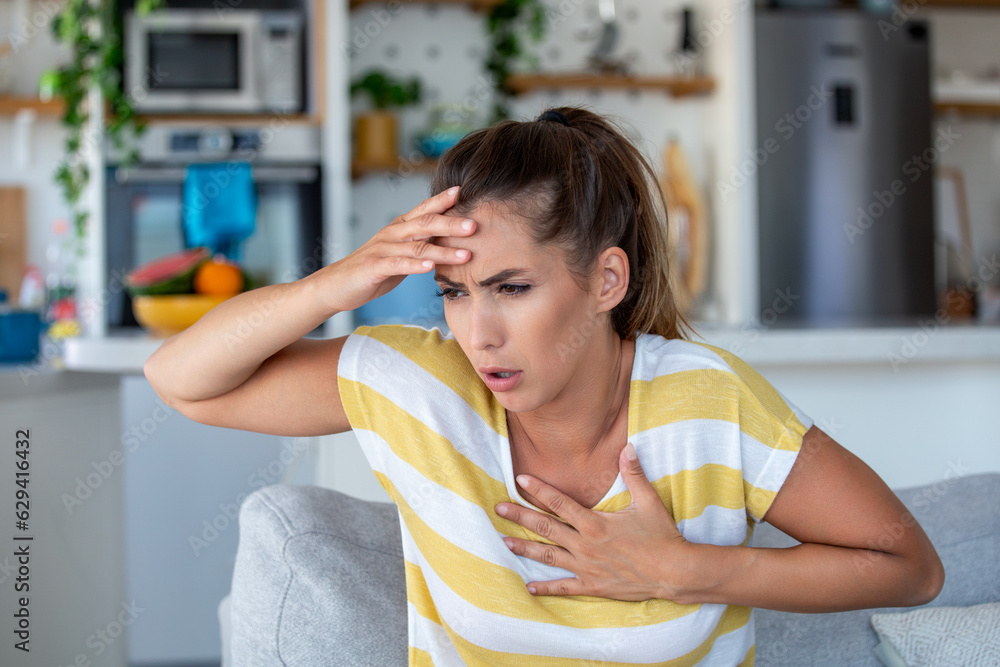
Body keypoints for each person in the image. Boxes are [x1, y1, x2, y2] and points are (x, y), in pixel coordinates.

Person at [144, 106, 944, 665]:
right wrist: (338, 283)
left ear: (605, 280)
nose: (479, 332)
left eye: (513, 288)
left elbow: (911, 566)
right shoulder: (425, 385)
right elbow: (181, 381)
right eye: (455, 292)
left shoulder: (709, 403)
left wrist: (684, 569)